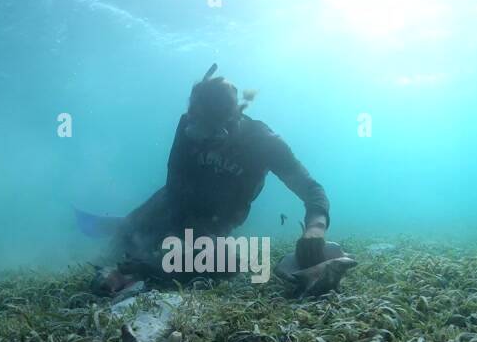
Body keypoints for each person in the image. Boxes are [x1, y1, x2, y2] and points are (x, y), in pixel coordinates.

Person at [92, 64, 331, 294]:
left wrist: (315, 228)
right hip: (172, 203)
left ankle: (153, 263)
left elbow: (311, 189)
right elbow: (174, 184)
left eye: (208, 132)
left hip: (214, 224)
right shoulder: (188, 125)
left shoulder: (265, 144)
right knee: (123, 240)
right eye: (195, 127)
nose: (199, 138)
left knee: (227, 264)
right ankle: (130, 244)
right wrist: (168, 236)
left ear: (230, 123)